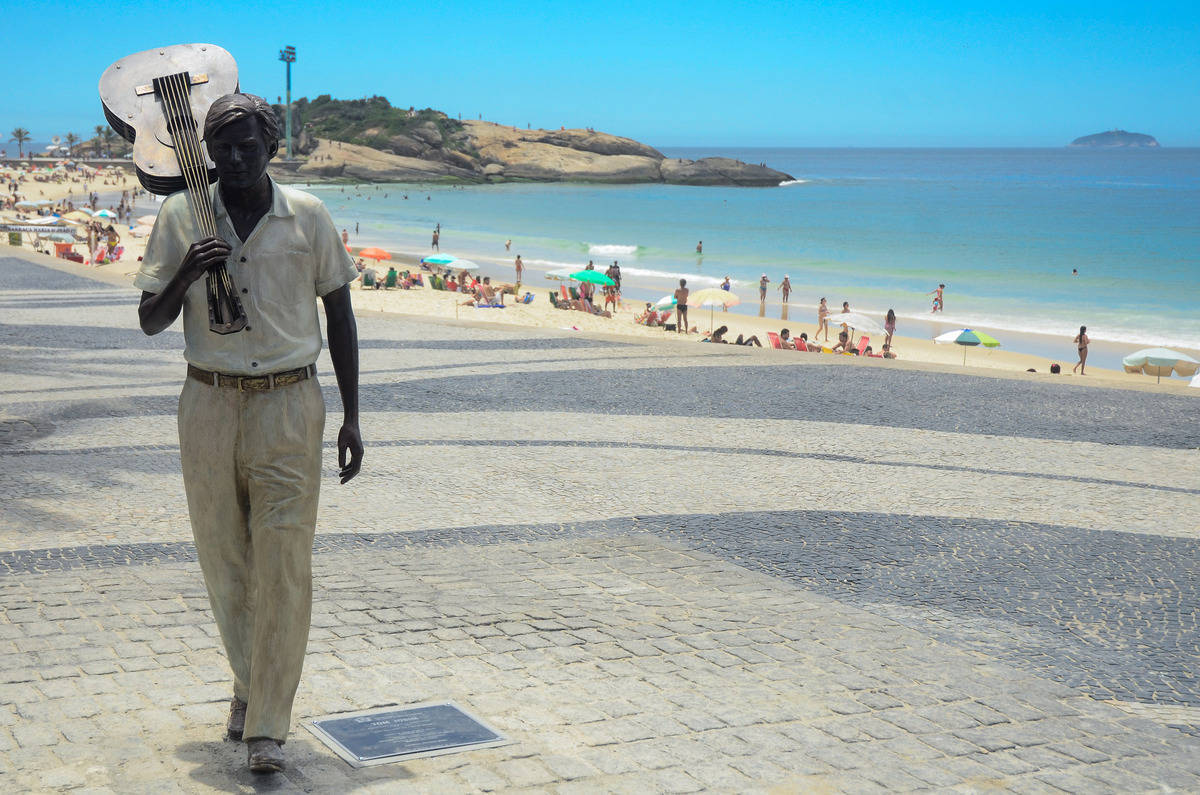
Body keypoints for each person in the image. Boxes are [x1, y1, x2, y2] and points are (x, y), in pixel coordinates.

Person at [134, 93, 362, 775]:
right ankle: (248, 681)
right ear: (205, 151)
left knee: (284, 565)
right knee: (226, 564)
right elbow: (150, 318)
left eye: (248, 145)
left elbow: (342, 317)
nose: (235, 158)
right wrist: (186, 272)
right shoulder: (181, 216)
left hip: (291, 405)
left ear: (271, 147)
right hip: (208, 404)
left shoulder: (308, 216)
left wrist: (352, 415)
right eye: (222, 147)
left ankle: (267, 723)